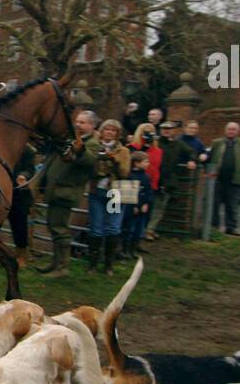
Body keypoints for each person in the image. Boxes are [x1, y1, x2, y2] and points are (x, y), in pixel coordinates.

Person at [36, 110, 100, 277]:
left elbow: (90, 160)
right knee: (53, 226)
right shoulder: (68, 139)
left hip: (66, 191)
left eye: (83, 122)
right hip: (55, 189)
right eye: (77, 121)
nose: (78, 125)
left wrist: (80, 150)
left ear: (92, 126)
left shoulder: (91, 143)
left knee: (60, 229)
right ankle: (55, 263)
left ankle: (62, 267)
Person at [86, 118, 131, 274]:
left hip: (115, 192)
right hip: (97, 190)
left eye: (113, 130)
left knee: (112, 228)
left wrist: (114, 160)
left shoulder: (123, 151)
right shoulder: (94, 147)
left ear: (117, 134)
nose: (109, 133)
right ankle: (92, 265)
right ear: (102, 131)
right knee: (96, 228)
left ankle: (108, 265)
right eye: (107, 129)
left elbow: (125, 173)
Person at [146, 120, 196, 237]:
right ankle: (142, 229)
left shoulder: (178, 144)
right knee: (147, 204)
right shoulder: (155, 142)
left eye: (169, 129)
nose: (166, 131)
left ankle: (150, 229)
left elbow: (191, 151)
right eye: (164, 129)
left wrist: (191, 160)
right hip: (151, 177)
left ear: (174, 131)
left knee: (160, 206)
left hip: (167, 180)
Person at [206, 122, 240, 235]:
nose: (231, 131)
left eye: (234, 129)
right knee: (214, 204)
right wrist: (207, 169)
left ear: (238, 131)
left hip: (236, 180)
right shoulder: (216, 143)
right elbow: (208, 157)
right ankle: (214, 227)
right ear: (225, 130)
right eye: (229, 129)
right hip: (217, 179)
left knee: (232, 205)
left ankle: (231, 227)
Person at [119, 150, 154, 259]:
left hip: (142, 209)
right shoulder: (130, 176)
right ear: (136, 163)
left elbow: (148, 192)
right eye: (145, 162)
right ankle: (124, 250)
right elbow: (128, 194)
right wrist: (134, 206)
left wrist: (146, 203)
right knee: (129, 229)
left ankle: (133, 250)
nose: (148, 164)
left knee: (139, 230)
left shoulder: (146, 177)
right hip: (131, 208)